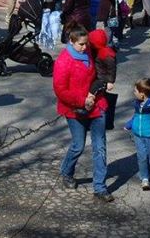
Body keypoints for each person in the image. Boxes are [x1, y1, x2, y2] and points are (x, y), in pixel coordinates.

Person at [53, 25, 112, 202]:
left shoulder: (89, 52)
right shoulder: (63, 61)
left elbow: (104, 60)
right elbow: (60, 90)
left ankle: (100, 188)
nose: (85, 47)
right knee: (78, 145)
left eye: (86, 43)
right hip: (75, 109)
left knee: (100, 146)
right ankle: (66, 172)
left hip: (96, 105)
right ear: (71, 41)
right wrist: (81, 100)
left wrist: (107, 80)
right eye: (81, 44)